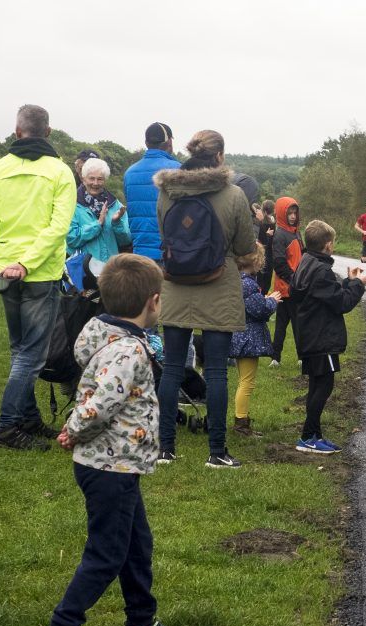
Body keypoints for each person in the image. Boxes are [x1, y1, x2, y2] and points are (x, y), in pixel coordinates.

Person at [34, 254, 190, 626]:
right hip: (110, 467)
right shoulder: (128, 353)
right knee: (106, 553)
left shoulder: (104, 333)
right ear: (153, 302)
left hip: (117, 464)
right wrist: (72, 430)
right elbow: (99, 405)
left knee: (137, 545)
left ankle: (141, 622)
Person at [0, 104, 76, 450]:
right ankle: (7, 426)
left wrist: (0, 250)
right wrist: (29, 263)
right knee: (32, 355)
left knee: (21, 350)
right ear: (48, 133)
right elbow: (58, 228)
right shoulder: (60, 172)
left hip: (7, 271)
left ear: (17, 132)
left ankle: (28, 418)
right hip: (40, 273)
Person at [154, 129, 256, 469]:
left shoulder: (167, 192)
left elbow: (163, 234)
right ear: (220, 156)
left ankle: (165, 449)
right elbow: (244, 247)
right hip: (218, 285)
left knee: (171, 369)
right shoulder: (234, 194)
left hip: (175, 285)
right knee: (215, 372)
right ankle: (216, 452)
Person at [291, 220, 366, 454]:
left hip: (309, 335)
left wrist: (347, 282)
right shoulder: (321, 270)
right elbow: (342, 303)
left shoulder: (307, 262)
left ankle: (314, 434)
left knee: (317, 383)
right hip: (322, 337)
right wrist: (358, 285)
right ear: (328, 245)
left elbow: (327, 295)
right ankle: (307, 436)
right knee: (324, 385)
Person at [229, 249, 282, 436]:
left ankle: (241, 420)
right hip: (248, 338)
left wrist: (263, 299)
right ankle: (241, 423)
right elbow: (259, 310)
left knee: (243, 379)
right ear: (254, 261)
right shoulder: (248, 285)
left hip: (238, 335)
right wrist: (272, 301)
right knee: (247, 382)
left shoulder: (236, 280)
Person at [122, 122, 180, 263]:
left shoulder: (130, 173)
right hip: (171, 252)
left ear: (146, 143)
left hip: (140, 252)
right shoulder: (178, 170)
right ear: (169, 142)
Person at [68, 157, 131, 282]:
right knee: (86, 302)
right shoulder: (72, 204)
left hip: (110, 271)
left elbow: (126, 240)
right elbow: (71, 239)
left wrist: (116, 223)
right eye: (91, 178)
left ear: (105, 180)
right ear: (83, 179)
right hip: (83, 272)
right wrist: (97, 224)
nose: (95, 183)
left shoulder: (115, 204)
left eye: (100, 179)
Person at [269, 196, 303, 367]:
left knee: (295, 323)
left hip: (295, 286)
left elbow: (302, 255)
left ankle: (287, 357)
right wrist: (294, 280)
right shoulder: (280, 235)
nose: (292, 216)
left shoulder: (296, 232)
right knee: (285, 324)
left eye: (295, 213)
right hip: (286, 288)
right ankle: (278, 358)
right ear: (282, 214)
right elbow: (279, 263)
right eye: (289, 213)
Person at [256, 199, 277, 293]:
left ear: (264, 210)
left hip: (262, 253)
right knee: (267, 279)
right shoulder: (274, 221)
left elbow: (261, 241)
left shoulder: (261, 223)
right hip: (270, 254)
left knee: (260, 279)